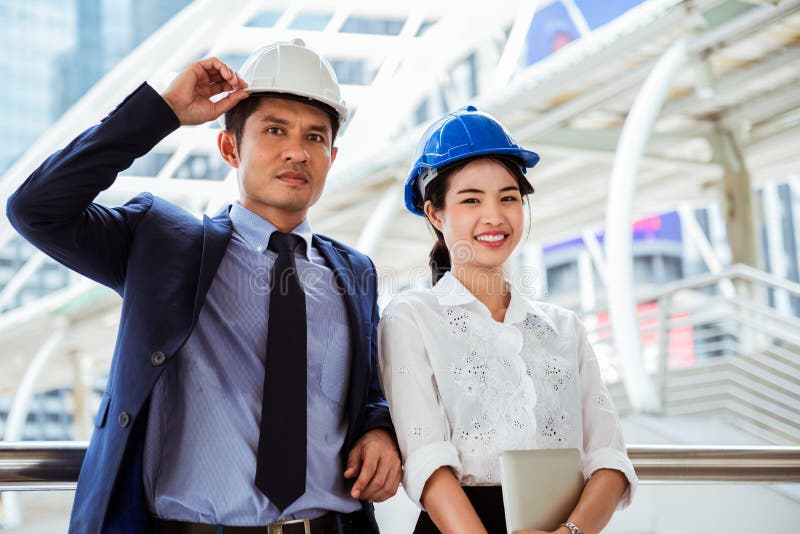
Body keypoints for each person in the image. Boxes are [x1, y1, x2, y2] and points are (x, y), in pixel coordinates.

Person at [7, 39, 401, 534]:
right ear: (229, 147)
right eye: (275, 130)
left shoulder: (354, 271)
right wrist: (163, 111)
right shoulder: (164, 246)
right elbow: (36, 208)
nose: (297, 151)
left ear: (332, 156)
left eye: (316, 138)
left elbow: (369, 392)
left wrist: (379, 429)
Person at [377, 106, 637, 534]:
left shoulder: (564, 328)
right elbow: (427, 462)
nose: (494, 216)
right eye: (471, 199)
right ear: (435, 214)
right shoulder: (411, 318)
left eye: (509, 197)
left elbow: (609, 458)